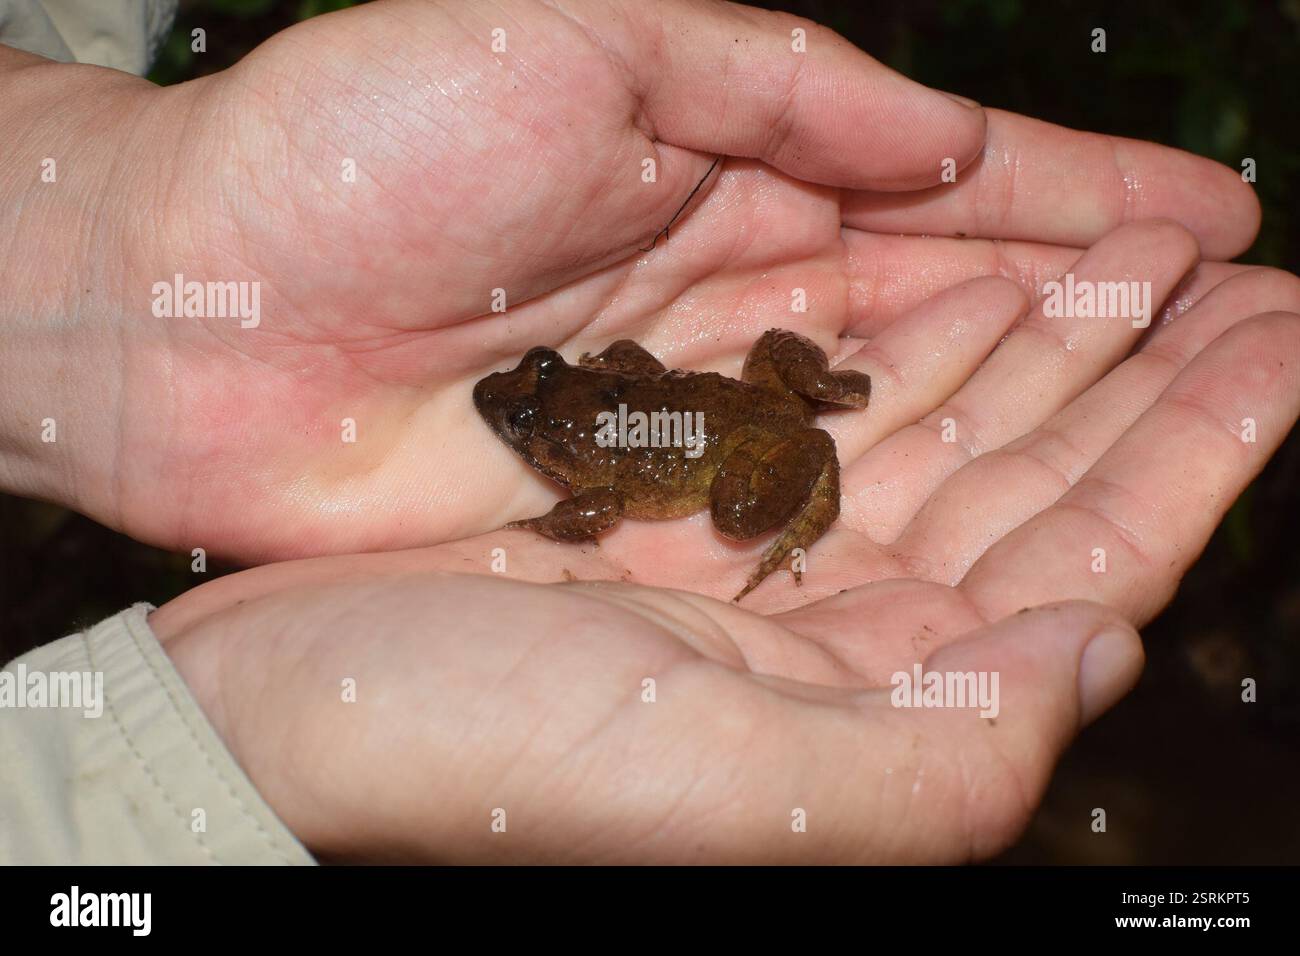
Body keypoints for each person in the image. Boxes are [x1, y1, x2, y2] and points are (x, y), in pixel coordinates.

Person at [1, 0, 1297, 864]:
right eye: (522, 409)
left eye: (524, 404)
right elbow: (610, 413)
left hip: (745, 434)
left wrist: (685, 504)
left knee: (760, 495)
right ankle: (817, 419)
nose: (515, 410)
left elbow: (602, 501)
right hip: (751, 397)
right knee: (789, 406)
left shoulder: (579, 449)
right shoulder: (589, 406)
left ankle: (801, 480)